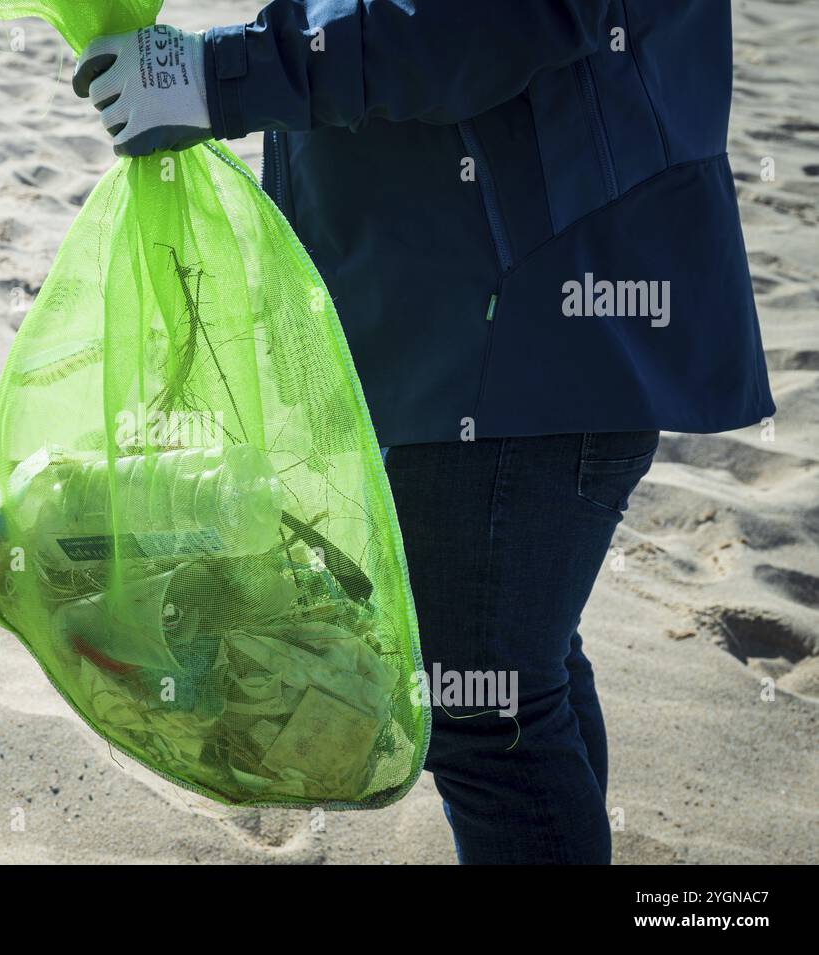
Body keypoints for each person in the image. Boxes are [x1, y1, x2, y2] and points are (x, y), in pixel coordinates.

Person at [73, 0, 775, 864]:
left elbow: (481, 18)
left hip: (521, 323)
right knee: (518, 670)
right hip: (492, 318)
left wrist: (227, 75)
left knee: (485, 707)